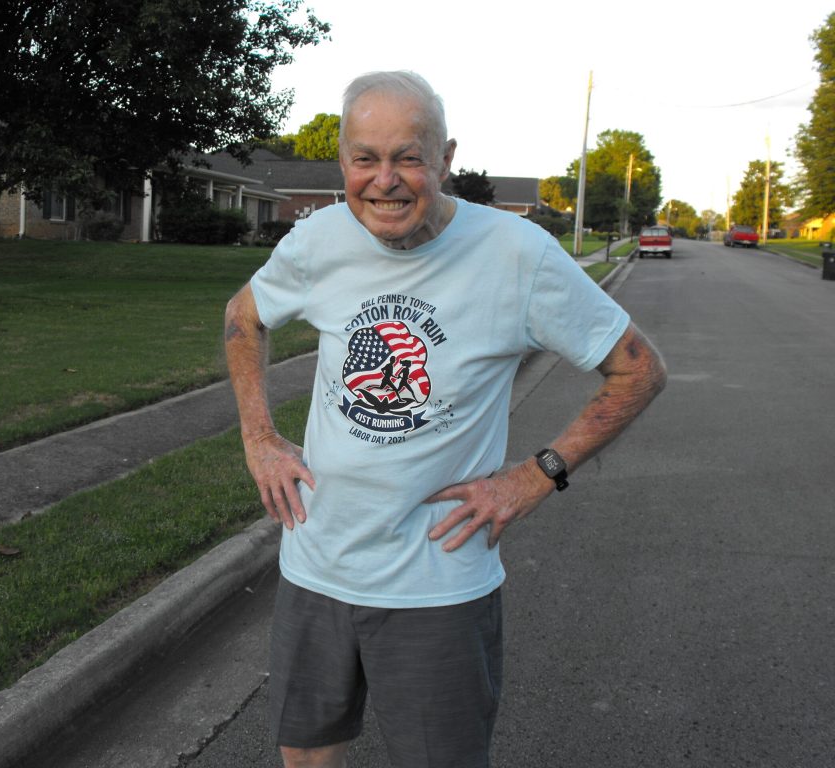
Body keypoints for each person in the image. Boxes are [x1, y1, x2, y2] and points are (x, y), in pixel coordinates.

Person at [224, 70, 666, 768]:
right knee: (305, 754)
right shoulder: (319, 241)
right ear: (343, 162)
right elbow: (243, 316)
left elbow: (640, 368)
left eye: (408, 157)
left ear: (445, 159)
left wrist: (537, 474)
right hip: (317, 563)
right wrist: (258, 437)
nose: (385, 180)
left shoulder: (516, 255)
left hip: (437, 584)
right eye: (365, 158)